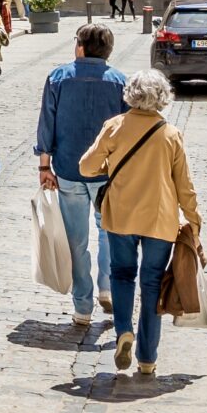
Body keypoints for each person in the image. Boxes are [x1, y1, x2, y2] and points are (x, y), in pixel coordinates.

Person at [80, 68, 202, 377]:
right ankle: (147, 358)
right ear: (163, 98)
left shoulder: (115, 127)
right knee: (152, 284)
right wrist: (194, 222)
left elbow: (86, 167)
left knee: (122, 274)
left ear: (130, 95)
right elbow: (185, 187)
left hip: (121, 216)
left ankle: (124, 330)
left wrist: (109, 165)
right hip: (159, 219)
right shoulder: (171, 135)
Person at [34, 22, 127, 325]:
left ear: (81, 47)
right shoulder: (120, 82)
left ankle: (82, 307)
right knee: (109, 232)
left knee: (76, 240)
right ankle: (107, 287)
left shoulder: (58, 78)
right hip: (107, 173)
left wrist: (44, 165)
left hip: (69, 169)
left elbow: (47, 124)